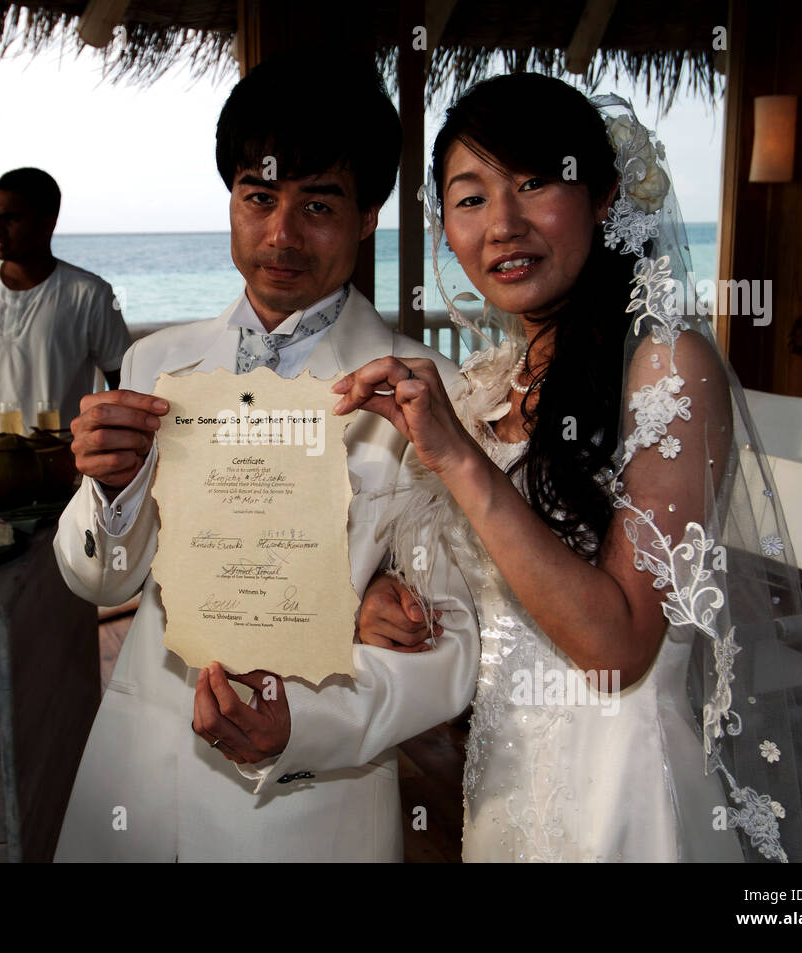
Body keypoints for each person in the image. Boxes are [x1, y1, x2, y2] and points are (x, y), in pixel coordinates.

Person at [338, 74, 802, 862]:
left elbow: (618, 647)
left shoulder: (669, 366)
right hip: (502, 788)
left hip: (625, 797)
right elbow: (469, 604)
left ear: (604, 195)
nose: (503, 224)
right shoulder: (485, 386)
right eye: (470, 199)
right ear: (443, 227)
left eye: (535, 183)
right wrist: (379, 603)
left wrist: (460, 459)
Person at [50, 50, 481, 862]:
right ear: (231, 203)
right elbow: (102, 580)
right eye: (259, 197)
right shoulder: (155, 365)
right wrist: (109, 494)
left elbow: (455, 636)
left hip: (308, 797)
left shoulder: (431, 392)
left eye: (318, 204)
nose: (281, 234)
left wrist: (309, 721)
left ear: (367, 217)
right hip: (139, 772)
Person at [0, 167, 132, 452]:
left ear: (47, 223)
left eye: (11, 217)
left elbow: (121, 386)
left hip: (54, 474)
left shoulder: (89, 293)